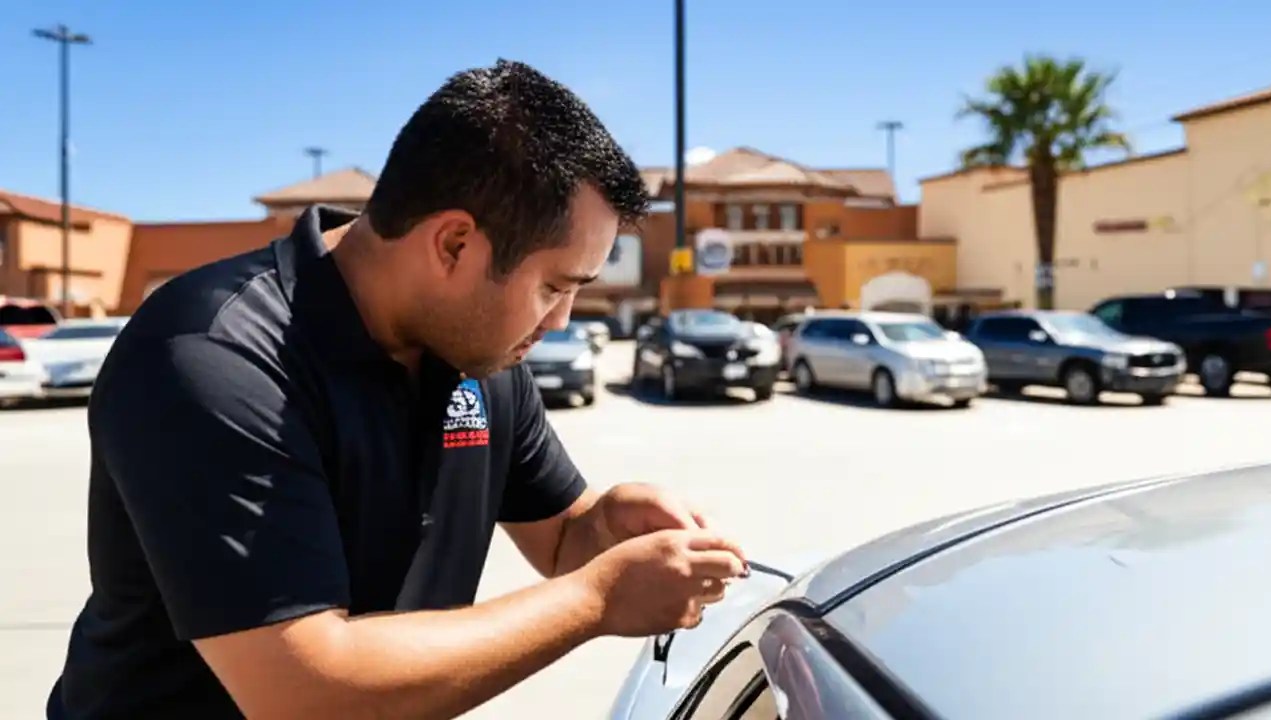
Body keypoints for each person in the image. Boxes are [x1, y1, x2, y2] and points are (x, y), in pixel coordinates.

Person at [47, 59, 749, 720]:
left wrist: (605, 524)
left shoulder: (481, 355)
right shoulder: (214, 359)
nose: (562, 320)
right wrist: (596, 601)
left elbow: (562, 540)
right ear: (453, 244)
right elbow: (304, 694)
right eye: (555, 286)